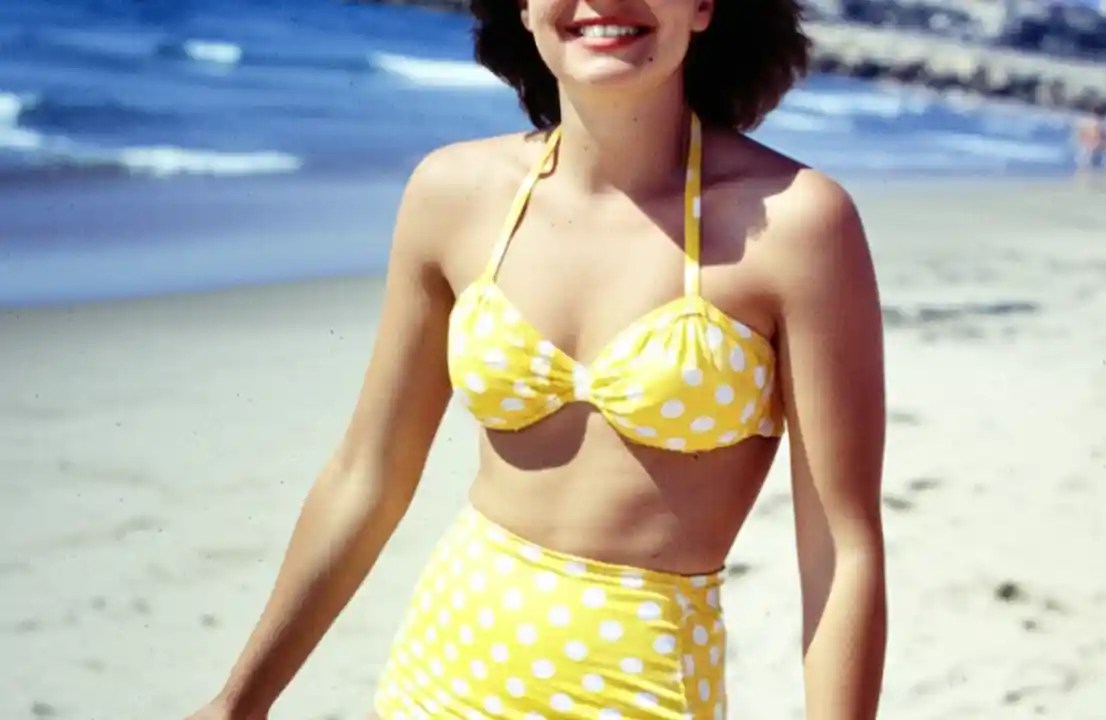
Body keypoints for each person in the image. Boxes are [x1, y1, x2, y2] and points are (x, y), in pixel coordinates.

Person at [188, 0, 887, 718]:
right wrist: (240, 699)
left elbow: (840, 548)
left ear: (706, 5)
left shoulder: (798, 224)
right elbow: (369, 472)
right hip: (437, 677)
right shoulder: (454, 194)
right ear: (523, 7)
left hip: (643, 694)